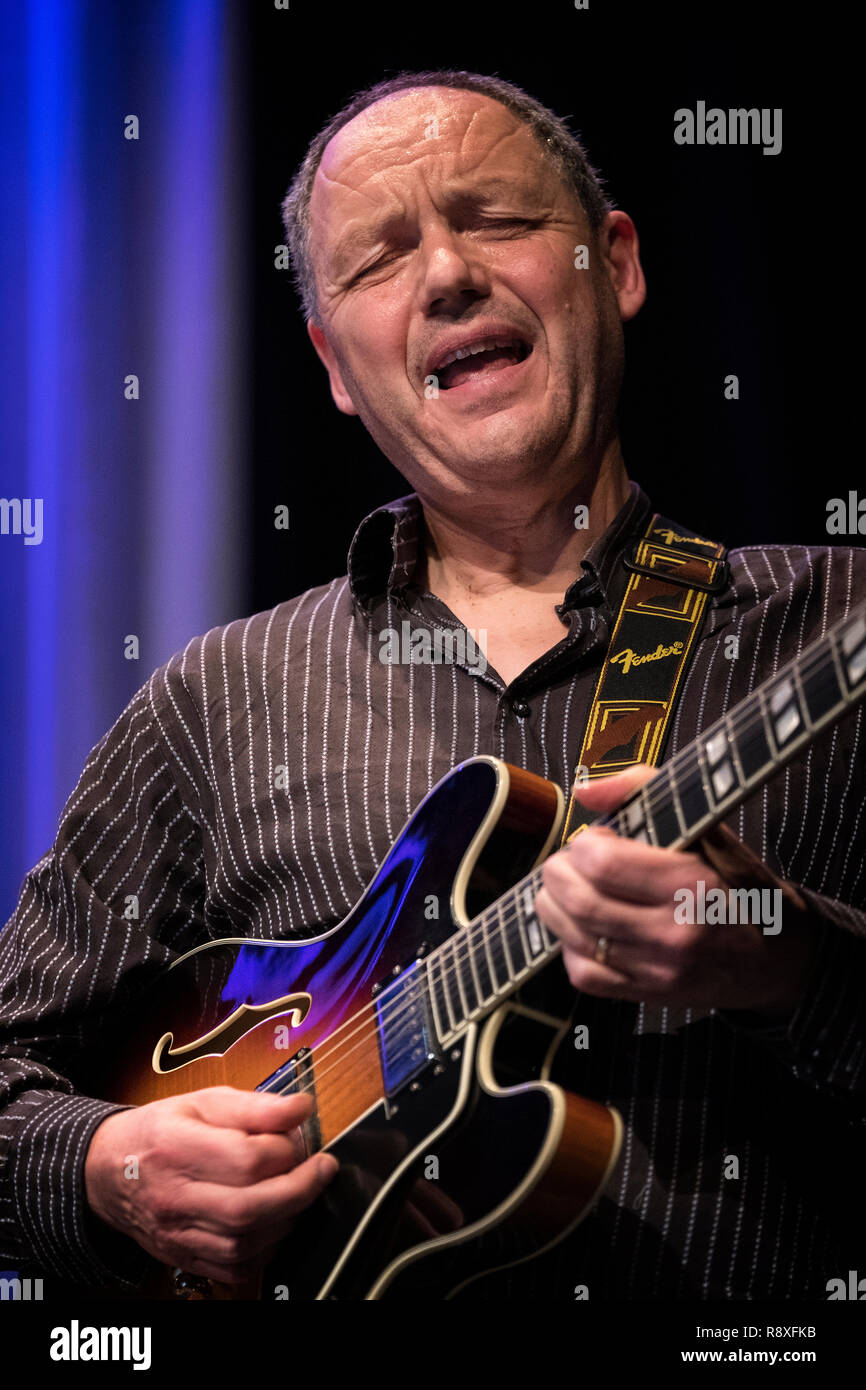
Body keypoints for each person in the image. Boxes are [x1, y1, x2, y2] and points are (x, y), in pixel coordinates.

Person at [1, 69, 864, 1301]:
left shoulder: (835, 626)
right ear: (335, 366)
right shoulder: (217, 699)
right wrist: (101, 1165)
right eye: (376, 259)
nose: (448, 273)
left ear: (611, 264)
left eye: (497, 219)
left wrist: (780, 961)